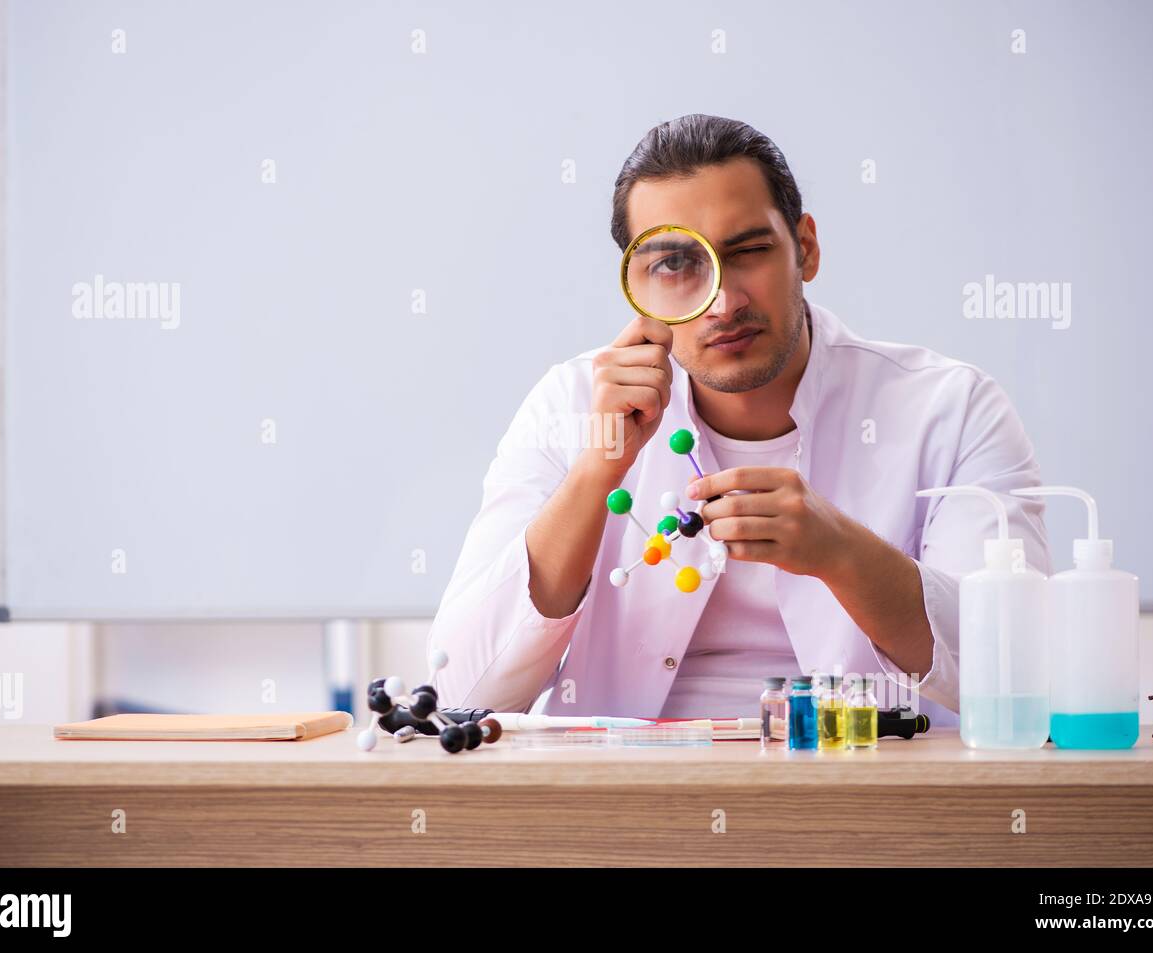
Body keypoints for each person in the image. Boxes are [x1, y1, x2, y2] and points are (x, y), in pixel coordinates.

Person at [427, 114, 1050, 728]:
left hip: (868, 799)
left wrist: (839, 550)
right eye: (675, 266)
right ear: (635, 286)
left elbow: (1020, 681)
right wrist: (597, 472)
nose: (723, 303)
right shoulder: (571, 406)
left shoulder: (952, 410)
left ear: (804, 248)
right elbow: (465, 690)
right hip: (624, 804)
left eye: (748, 252)